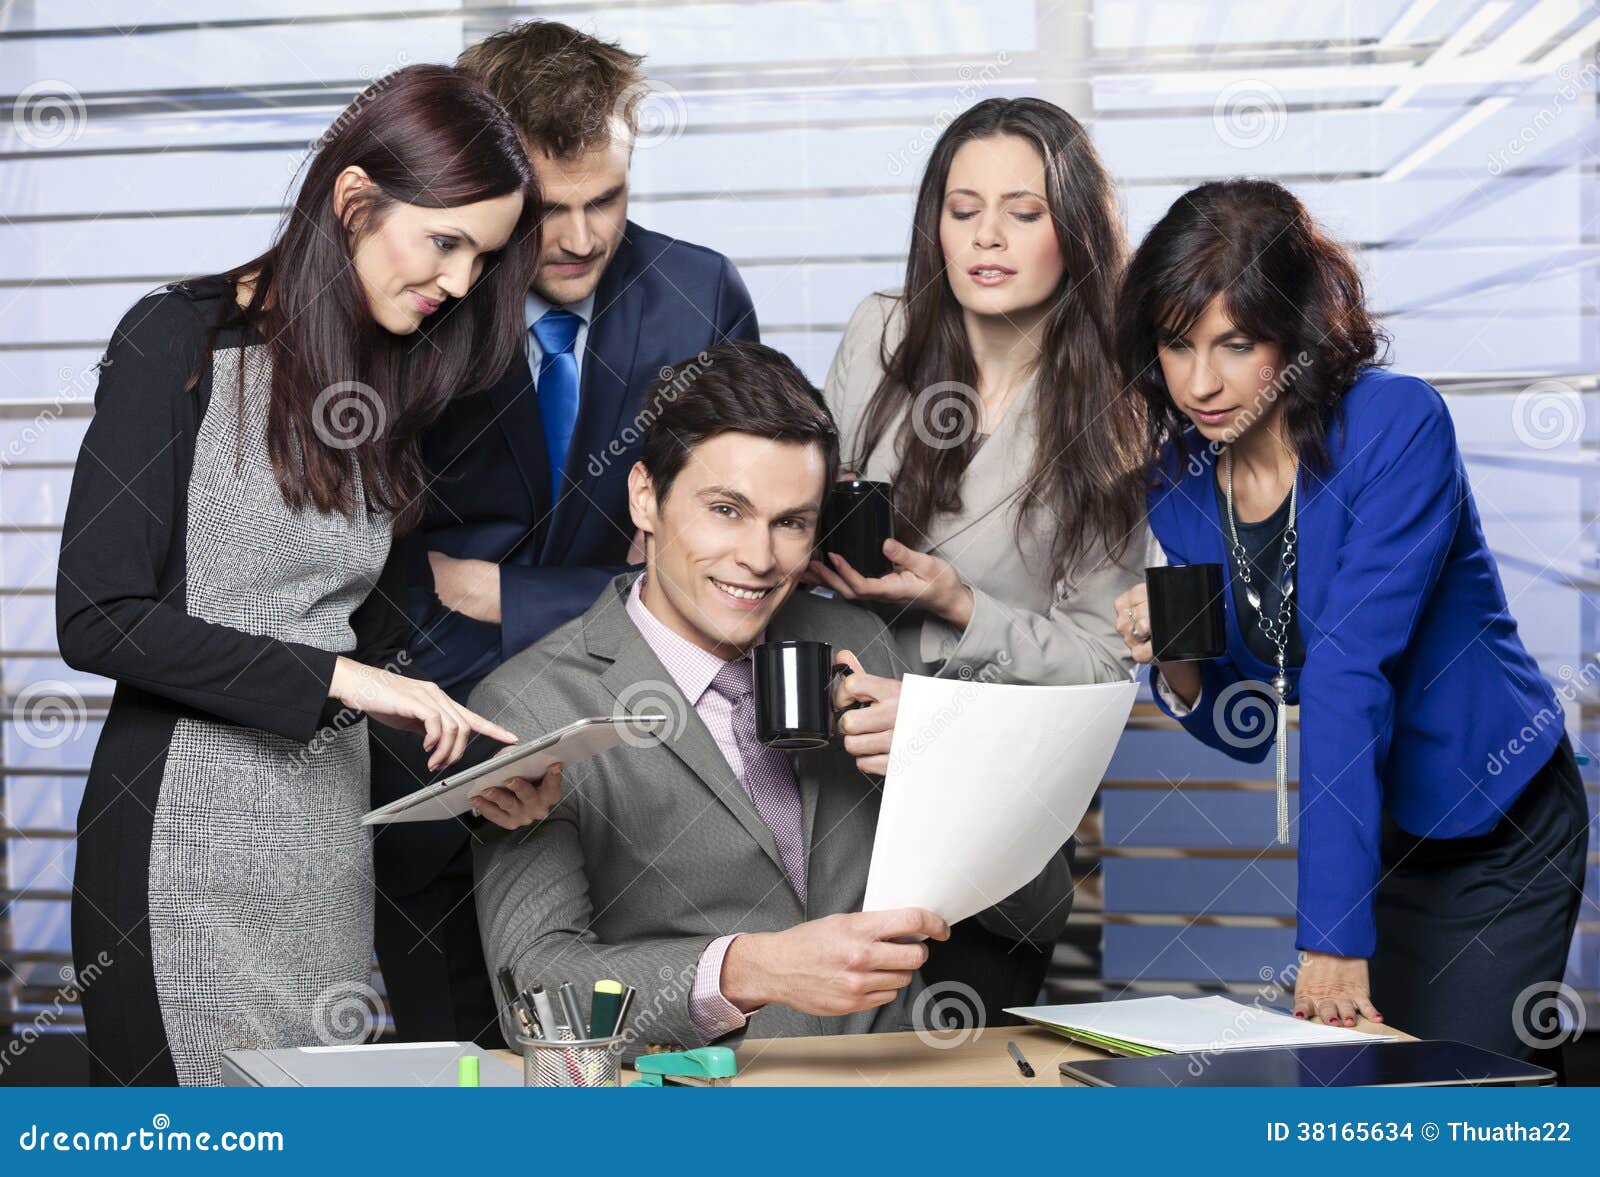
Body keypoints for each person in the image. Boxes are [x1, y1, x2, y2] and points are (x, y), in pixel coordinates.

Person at [55, 66, 547, 1086]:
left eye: (482, 257)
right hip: (182, 858)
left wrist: (463, 778)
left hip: (322, 857)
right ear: (356, 201)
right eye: (445, 241)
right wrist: (337, 678)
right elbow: (100, 617)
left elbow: (374, 652)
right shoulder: (176, 342)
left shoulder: (389, 386)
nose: (460, 282)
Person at [471, 340, 1075, 1054]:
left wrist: (946, 760)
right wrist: (749, 969)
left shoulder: (860, 642)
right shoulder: (533, 704)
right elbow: (537, 999)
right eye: (726, 509)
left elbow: (1040, 915)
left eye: (790, 522)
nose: (759, 558)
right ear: (644, 496)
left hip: (909, 1092)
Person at [1111, 178, 1588, 1066]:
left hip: (1493, 823)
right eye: (1177, 345)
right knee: (1369, 1101)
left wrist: (1330, 937)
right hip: (1371, 836)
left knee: (1467, 1099)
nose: (1201, 382)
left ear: (1295, 333)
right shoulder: (1179, 480)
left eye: (1236, 343)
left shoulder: (1397, 427)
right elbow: (1247, 724)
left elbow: (1343, 671)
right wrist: (1178, 663)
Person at [369, 20, 761, 1046]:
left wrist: (507, 592)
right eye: (552, 211)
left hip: (637, 764)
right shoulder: (417, 304)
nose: (584, 238)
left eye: (609, 202)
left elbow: (724, 547)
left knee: (630, 1071)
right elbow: (363, 558)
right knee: (461, 1080)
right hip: (439, 756)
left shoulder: (697, 293)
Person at [819, 97, 1148, 1018]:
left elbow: (1103, 665)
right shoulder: (880, 333)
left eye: (1024, 212)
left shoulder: (1120, 402)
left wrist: (963, 605)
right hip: (826, 798)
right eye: (963, 211)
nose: (986, 238)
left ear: (1074, 229)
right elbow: (809, 537)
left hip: (987, 830)